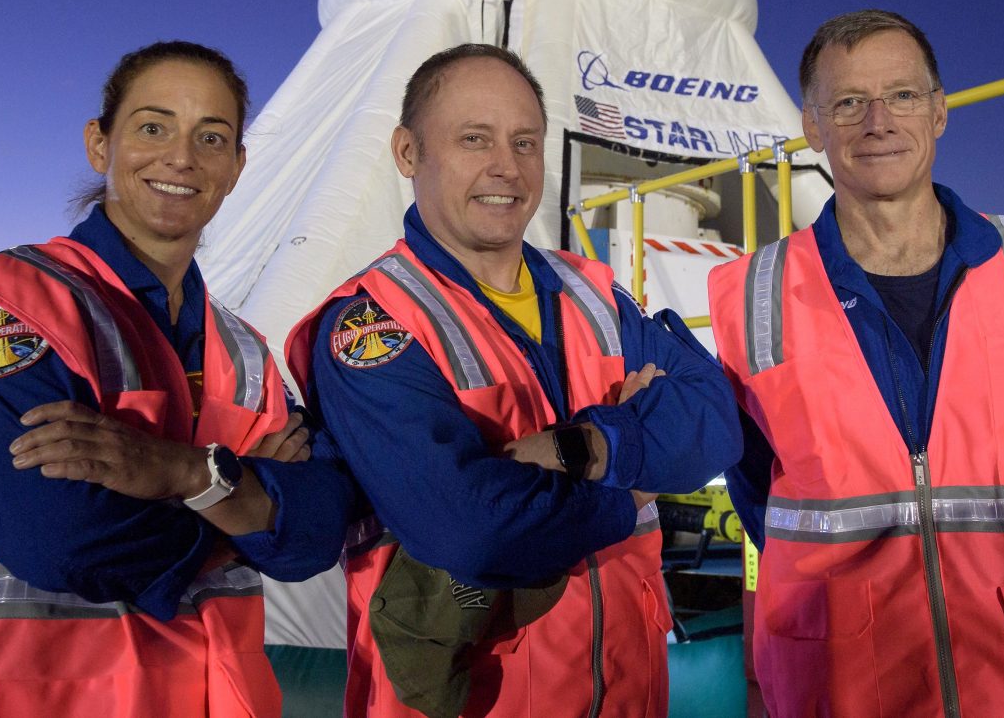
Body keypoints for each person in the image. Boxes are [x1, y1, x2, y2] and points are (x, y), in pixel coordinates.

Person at [707, 10, 1004, 718]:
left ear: (940, 111)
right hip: (849, 687)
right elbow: (758, 493)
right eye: (848, 102)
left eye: (903, 95)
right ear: (812, 127)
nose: (878, 122)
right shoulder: (751, 297)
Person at [0, 41, 352, 717]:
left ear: (237, 167)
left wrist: (181, 474)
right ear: (99, 144)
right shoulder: (11, 312)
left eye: (211, 137)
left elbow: (319, 531)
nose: (182, 158)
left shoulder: (242, 350)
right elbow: (62, 542)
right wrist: (244, 515)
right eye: (153, 127)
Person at [285, 43, 741, 718]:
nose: (506, 166)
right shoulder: (373, 324)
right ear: (408, 153)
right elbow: (472, 529)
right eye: (474, 139)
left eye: (525, 142)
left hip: (627, 691)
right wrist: (639, 478)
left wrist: (583, 449)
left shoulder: (594, 294)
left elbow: (717, 421)